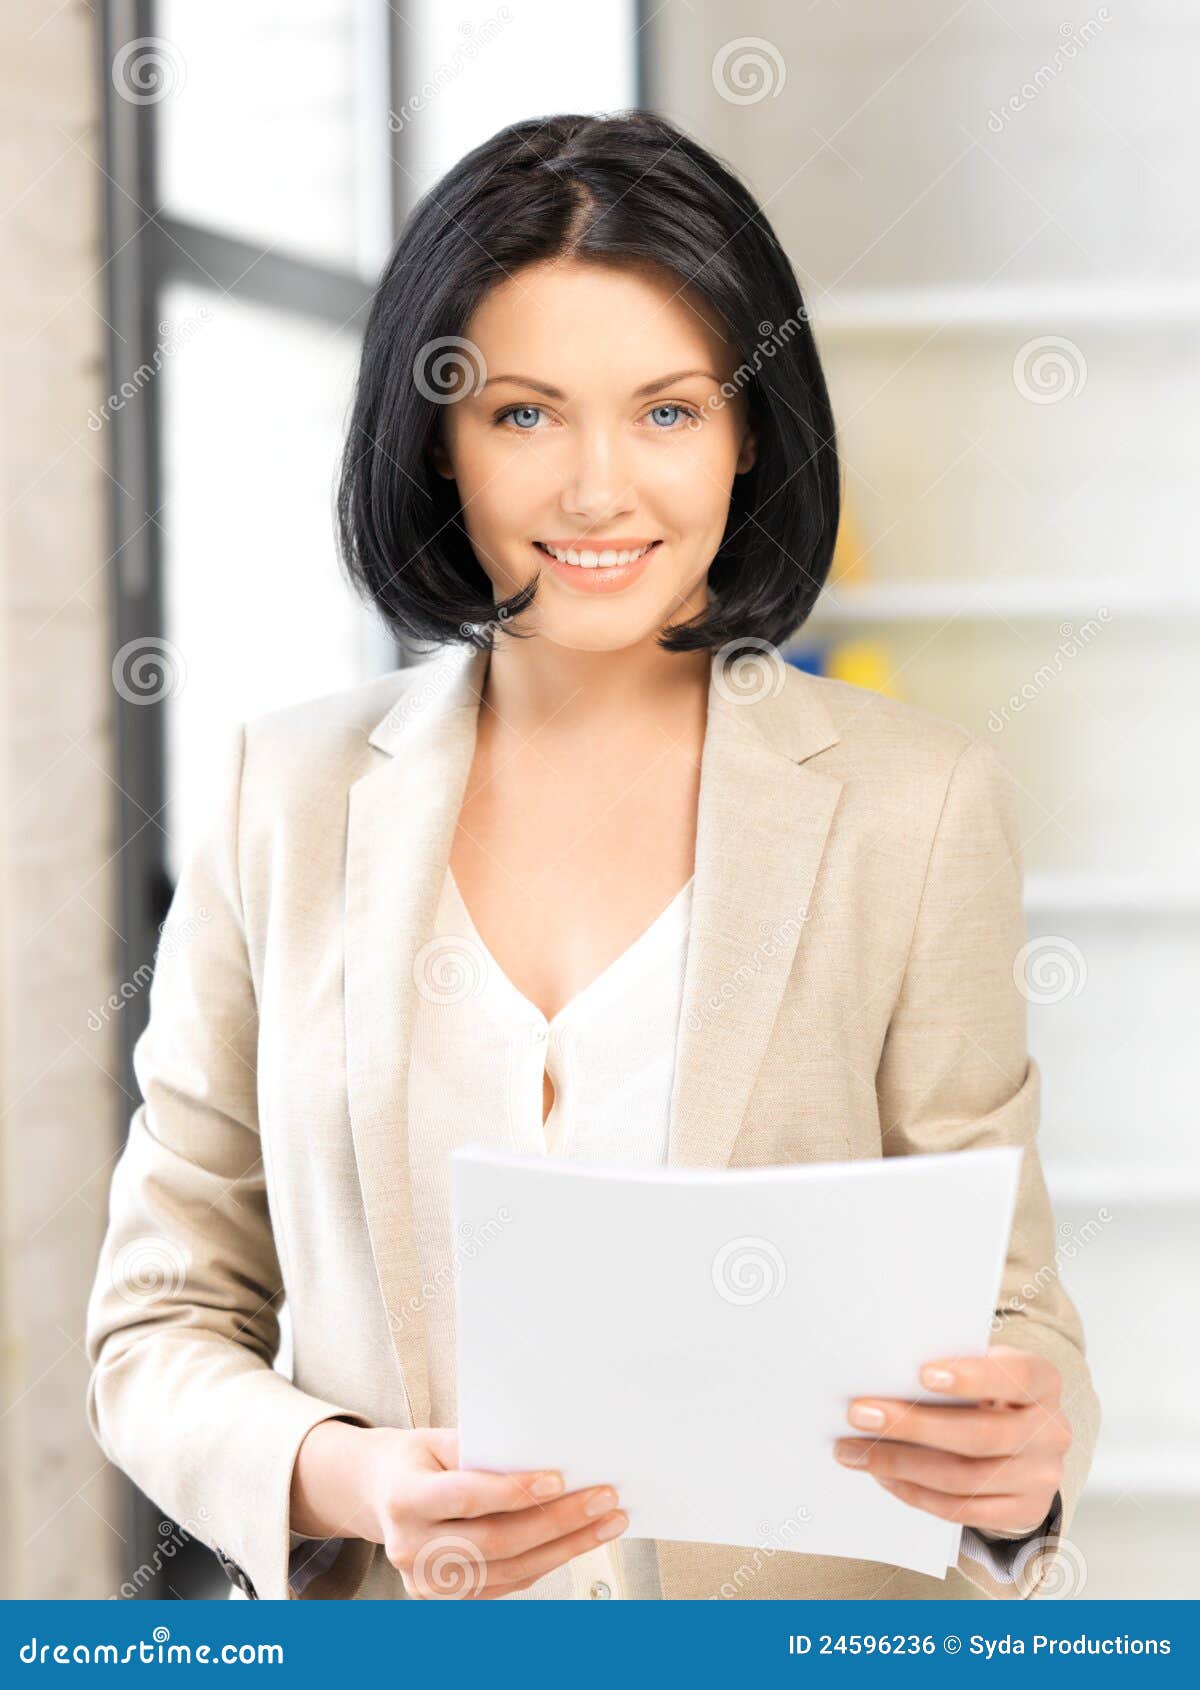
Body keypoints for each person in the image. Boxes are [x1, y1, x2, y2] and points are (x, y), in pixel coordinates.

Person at [85, 111, 1097, 1602]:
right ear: (436, 434)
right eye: (523, 414)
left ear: (751, 431)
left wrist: (1022, 1467)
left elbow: (1008, 1304)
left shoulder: (920, 804)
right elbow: (156, 1323)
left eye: (670, 411)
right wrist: (352, 1475)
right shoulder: (278, 797)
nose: (597, 491)